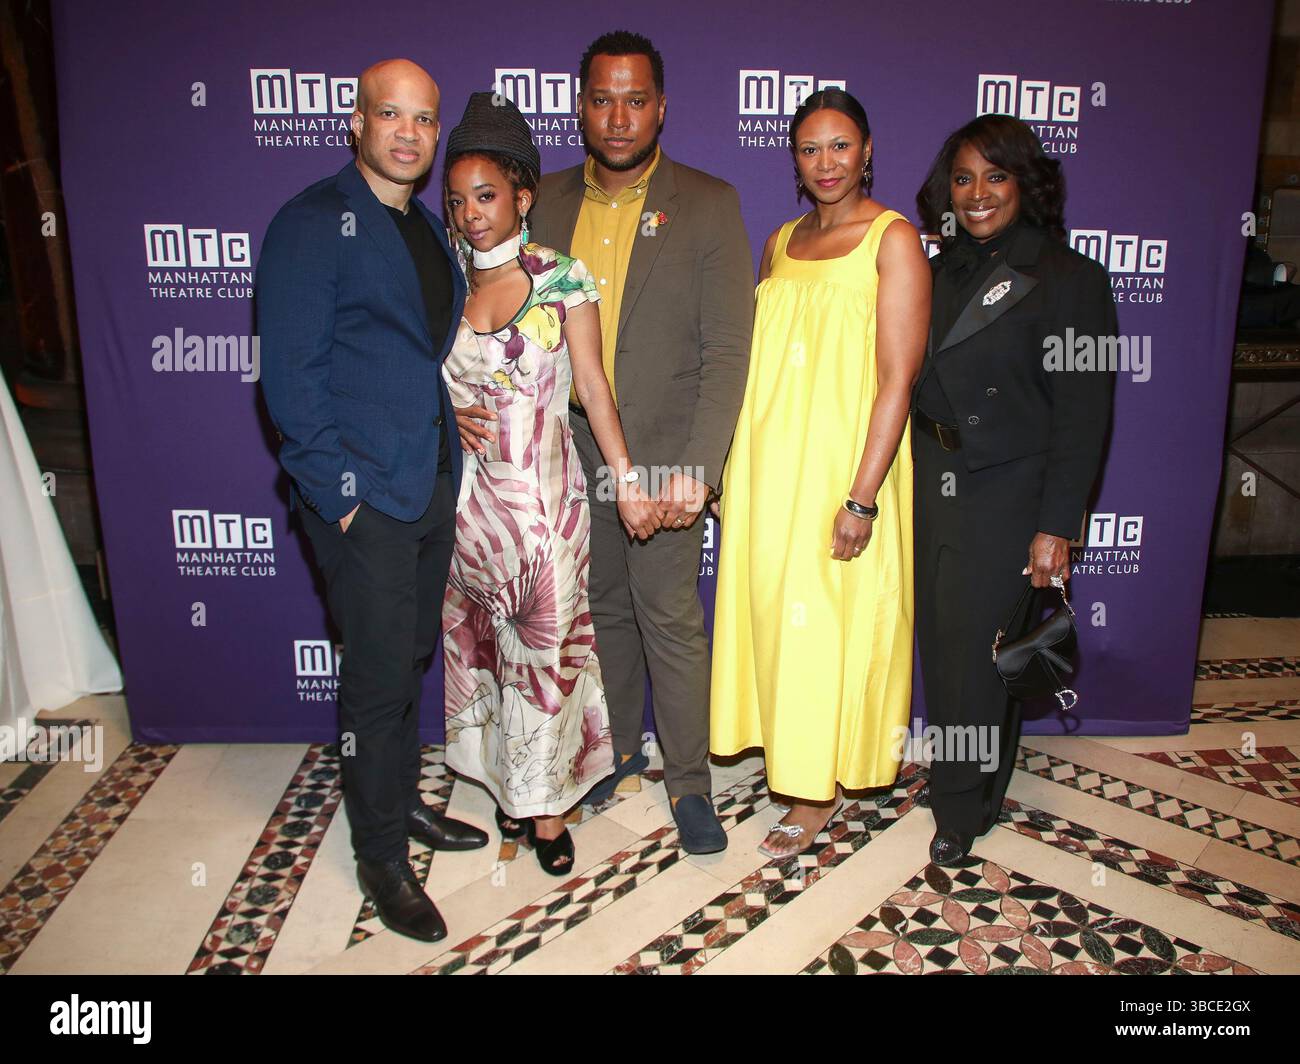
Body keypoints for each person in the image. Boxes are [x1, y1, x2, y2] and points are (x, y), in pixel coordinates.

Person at [258, 59, 488, 945]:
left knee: (407, 665)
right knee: (376, 680)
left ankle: (400, 808)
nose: (408, 133)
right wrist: (341, 501)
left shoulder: (424, 229)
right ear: (356, 122)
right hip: (362, 499)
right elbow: (290, 382)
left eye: (424, 119)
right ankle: (381, 857)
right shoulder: (312, 223)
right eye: (389, 114)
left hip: (426, 484)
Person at [510, 30, 753, 853]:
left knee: (671, 618)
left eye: (636, 99)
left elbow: (727, 351)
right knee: (602, 609)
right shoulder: (535, 201)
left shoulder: (709, 201)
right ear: (580, 105)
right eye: (603, 99)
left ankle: (689, 785)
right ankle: (614, 754)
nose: (619, 117)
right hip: (565, 457)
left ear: (662, 107)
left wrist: (702, 468)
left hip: (665, 461)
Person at [440, 93, 659, 875]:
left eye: (487, 196)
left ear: (523, 196)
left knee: (545, 663)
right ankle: (507, 788)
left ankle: (550, 811)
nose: (470, 214)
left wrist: (628, 482)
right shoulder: (440, 283)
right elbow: (402, 373)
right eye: (458, 199)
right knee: (489, 661)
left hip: (544, 513)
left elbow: (595, 391)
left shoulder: (563, 279)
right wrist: (440, 413)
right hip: (467, 517)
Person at [710, 89, 930, 857]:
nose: (826, 162)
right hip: (770, 467)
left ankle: (815, 794)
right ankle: (791, 756)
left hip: (846, 467)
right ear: (794, 159)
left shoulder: (894, 240)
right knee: (776, 617)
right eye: (810, 148)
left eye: (841, 146)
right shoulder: (779, 240)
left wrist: (861, 497)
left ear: (867, 150)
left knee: (828, 626)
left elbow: (899, 378)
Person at [913, 114, 1116, 866]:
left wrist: (1058, 524)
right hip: (928, 478)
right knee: (953, 649)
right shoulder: (929, 269)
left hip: (1006, 492)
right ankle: (982, 778)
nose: (977, 193)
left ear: (1025, 183)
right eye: (963, 178)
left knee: (974, 654)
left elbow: (1086, 414)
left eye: (995, 176)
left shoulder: (1073, 279)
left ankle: (959, 807)